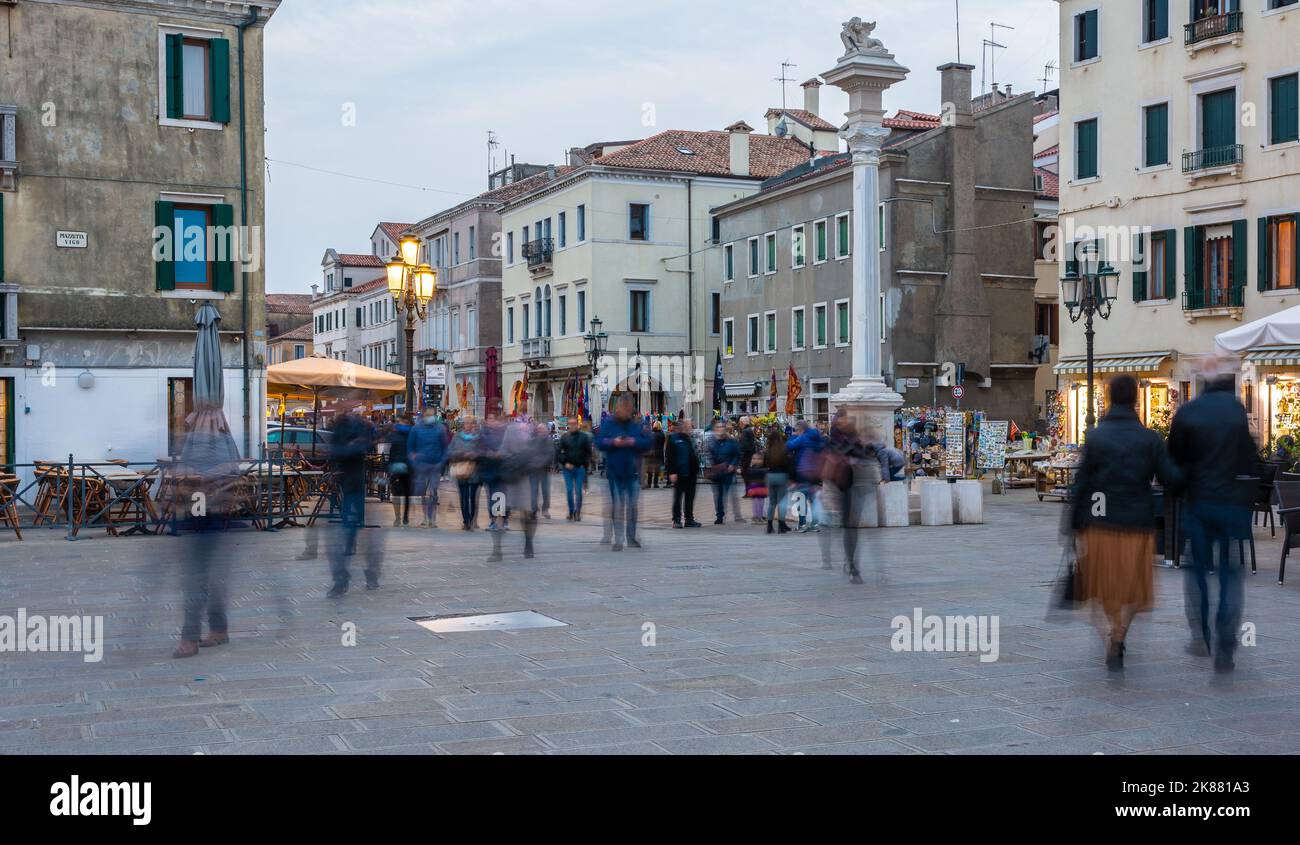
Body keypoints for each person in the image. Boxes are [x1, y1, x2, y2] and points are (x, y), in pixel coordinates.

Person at [1068, 375, 1181, 672]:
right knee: (1133, 588)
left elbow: (1081, 484)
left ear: (1109, 398)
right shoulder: (1150, 439)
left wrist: (1072, 524)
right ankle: (1118, 635)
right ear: (1136, 400)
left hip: (1100, 523)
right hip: (1137, 523)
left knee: (1101, 587)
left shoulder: (1095, 437)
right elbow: (1170, 477)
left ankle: (1111, 631)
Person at [1168, 360, 1256, 673]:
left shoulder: (1188, 412)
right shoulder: (1236, 411)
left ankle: (1200, 633)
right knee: (1230, 573)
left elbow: (1173, 461)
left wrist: (1176, 488)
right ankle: (1227, 641)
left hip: (1199, 503)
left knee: (1197, 570)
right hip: (1230, 503)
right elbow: (1249, 458)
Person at [328, 407, 381, 598]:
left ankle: (362, 575)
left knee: (354, 522)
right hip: (349, 480)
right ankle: (345, 578)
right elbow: (337, 451)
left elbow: (364, 446)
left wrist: (355, 445)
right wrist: (353, 446)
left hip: (354, 480)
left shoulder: (356, 427)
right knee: (350, 523)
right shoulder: (343, 428)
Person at [595, 397, 652, 550]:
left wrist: (634, 442)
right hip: (614, 472)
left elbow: (648, 442)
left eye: (629, 408)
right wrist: (614, 442)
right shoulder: (608, 424)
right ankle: (618, 538)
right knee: (617, 506)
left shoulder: (636, 425)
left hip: (632, 472)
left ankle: (631, 537)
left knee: (633, 506)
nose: (626, 411)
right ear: (618, 407)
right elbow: (599, 442)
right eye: (623, 407)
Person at [409, 409, 450, 527]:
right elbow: (411, 447)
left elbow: (445, 447)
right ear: (423, 416)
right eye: (428, 415)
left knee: (433, 492)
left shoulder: (440, 429)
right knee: (422, 492)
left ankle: (432, 518)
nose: (430, 417)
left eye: (432, 415)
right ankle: (426, 517)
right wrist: (414, 460)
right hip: (421, 465)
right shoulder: (416, 429)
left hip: (435, 465)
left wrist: (441, 462)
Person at [666, 417, 702, 529]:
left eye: (691, 426)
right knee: (678, 497)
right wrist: (672, 472)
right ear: (683, 427)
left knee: (689, 497)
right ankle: (676, 520)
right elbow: (669, 457)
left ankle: (689, 519)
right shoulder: (673, 439)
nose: (691, 428)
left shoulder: (688, 439)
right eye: (689, 426)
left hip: (691, 474)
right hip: (679, 473)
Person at [448, 417, 482, 530]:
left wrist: (475, 454)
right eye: (466, 423)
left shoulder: (479, 438)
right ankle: (466, 520)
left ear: (474, 425)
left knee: (472, 497)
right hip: (461, 469)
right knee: (463, 496)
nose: (468, 425)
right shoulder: (457, 437)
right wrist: (461, 453)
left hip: (474, 470)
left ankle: (471, 519)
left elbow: (482, 452)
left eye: (471, 423)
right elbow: (450, 451)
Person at [706, 421, 741, 525]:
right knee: (718, 495)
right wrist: (713, 465)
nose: (720, 429)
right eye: (718, 427)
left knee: (731, 493)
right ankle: (720, 516)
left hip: (728, 472)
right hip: (717, 472)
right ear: (715, 429)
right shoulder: (712, 441)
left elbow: (737, 454)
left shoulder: (732, 441)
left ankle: (737, 515)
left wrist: (733, 464)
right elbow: (710, 455)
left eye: (722, 427)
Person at [558, 417, 593, 520]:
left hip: (579, 468)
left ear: (578, 424)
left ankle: (578, 512)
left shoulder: (584, 437)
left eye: (574, 423)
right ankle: (571, 511)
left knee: (578, 490)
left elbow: (588, 453)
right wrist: (565, 462)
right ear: (568, 425)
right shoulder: (564, 437)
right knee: (569, 490)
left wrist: (584, 464)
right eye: (570, 424)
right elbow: (559, 453)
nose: (572, 426)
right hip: (568, 469)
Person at [763, 428, 795, 534]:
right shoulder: (784, 449)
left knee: (772, 503)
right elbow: (789, 464)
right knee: (782, 502)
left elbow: (765, 464)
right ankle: (781, 526)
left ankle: (769, 526)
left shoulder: (767, 451)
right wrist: (791, 478)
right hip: (782, 476)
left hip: (771, 476)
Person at [386, 415, 414, 527]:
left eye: (403, 422)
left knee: (406, 493)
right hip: (398, 466)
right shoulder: (396, 434)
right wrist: (389, 465)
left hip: (407, 466)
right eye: (400, 422)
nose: (401, 424)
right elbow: (392, 451)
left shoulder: (411, 434)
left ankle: (405, 516)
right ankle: (398, 517)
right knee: (397, 493)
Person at [529, 422, 554, 519]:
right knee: (533, 491)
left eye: (542, 429)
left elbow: (550, 454)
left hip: (544, 469)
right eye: (539, 429)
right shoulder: (532, 440)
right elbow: (528, 453)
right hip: (533, 470)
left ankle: (545, 509)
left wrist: (540, 463)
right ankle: (534, 510)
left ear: (546, 430)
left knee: (546, 491)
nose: (540, 431)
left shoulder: (549, 441)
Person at [646, 422, 666, 489]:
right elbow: (663, 443)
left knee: (650, 470)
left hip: (651, 453)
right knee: (657, 470)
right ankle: (655, 484)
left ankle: (649, 484)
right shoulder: (662, 434)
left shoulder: (650, 434)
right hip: (659, 454)